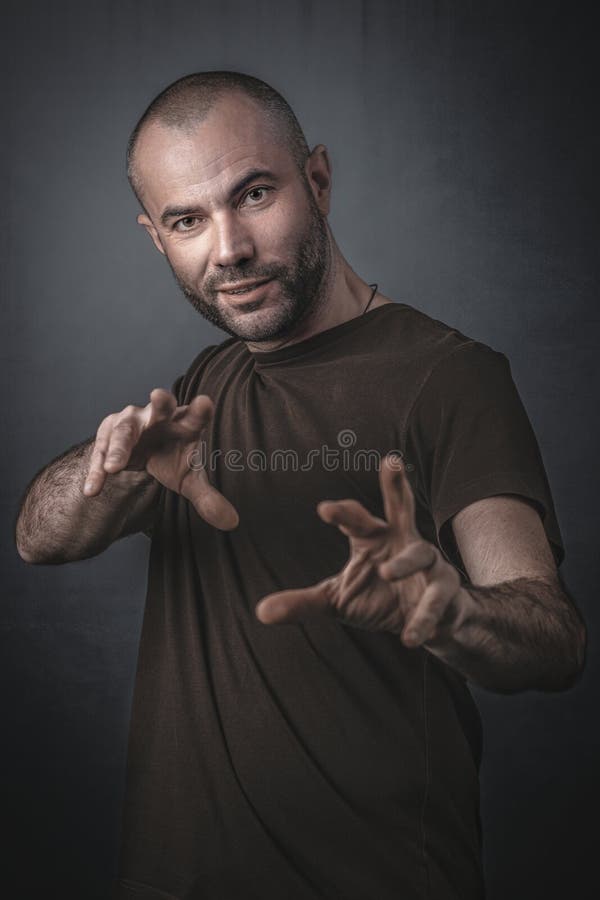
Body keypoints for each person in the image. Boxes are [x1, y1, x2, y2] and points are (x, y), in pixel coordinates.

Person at [15, 71, 586, 900]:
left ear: (317, 179)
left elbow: (554, 637)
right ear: (156, 238)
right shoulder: (205, 386)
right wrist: (107, 470)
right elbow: (37, 539)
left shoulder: (450, 378)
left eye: (253, 194)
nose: (229, 248)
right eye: (187, 220)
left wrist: (455, 611)